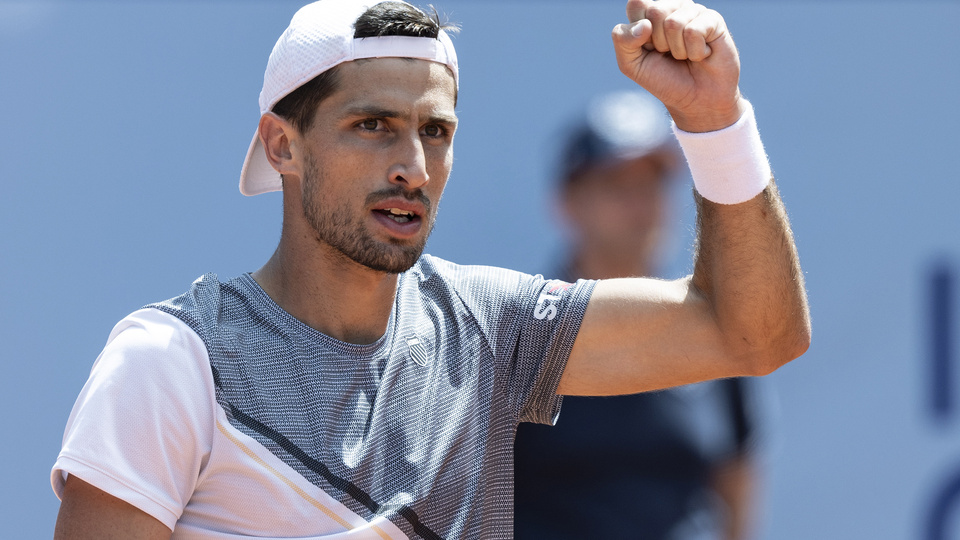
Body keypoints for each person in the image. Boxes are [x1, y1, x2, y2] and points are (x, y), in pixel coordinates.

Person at [51, 0, 811, 538]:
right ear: (283, 146)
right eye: (372, 125)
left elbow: (754, 335)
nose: (413, 166)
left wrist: (716, 123)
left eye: (435, 132)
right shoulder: (170, 361)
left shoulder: (489, 328)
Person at [514, 90, 761, 540]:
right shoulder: (517, 337)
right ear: (568, 204)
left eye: (650, 185)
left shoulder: (712, 329)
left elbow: (736, 470)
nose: (640, 206)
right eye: (617, 187)